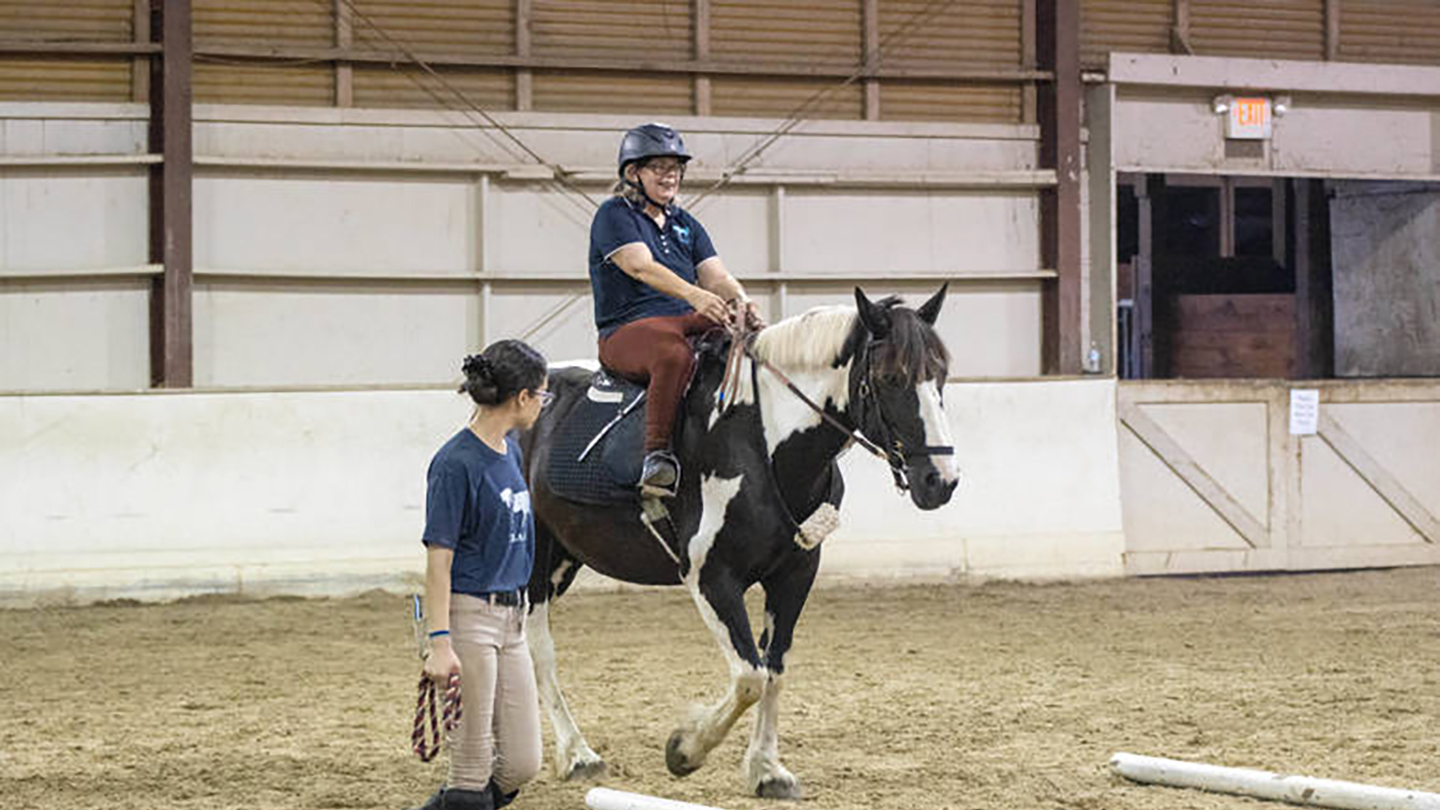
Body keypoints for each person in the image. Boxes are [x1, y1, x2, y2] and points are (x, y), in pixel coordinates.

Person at [407, 340, 550, 810]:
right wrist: (440, 641)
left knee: (521, 764)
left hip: (513, 621)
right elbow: (438, 560)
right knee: (470, 769)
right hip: (470, 617)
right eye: (542, 395)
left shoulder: (507, 451)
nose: (543, 405)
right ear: (522, 397)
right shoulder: (455, 464)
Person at [588, 122, 764, 498]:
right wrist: (695, 296)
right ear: (634, 173)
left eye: (675, 168)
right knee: (672, 353)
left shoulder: (686, 224)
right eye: (659, 168)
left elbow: (716, 276)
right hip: (627, 330)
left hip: (682, 321)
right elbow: (639, 265)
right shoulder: (614, 215)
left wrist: (741, 300)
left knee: (750, 338)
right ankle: (656, 456)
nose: (670, 176)